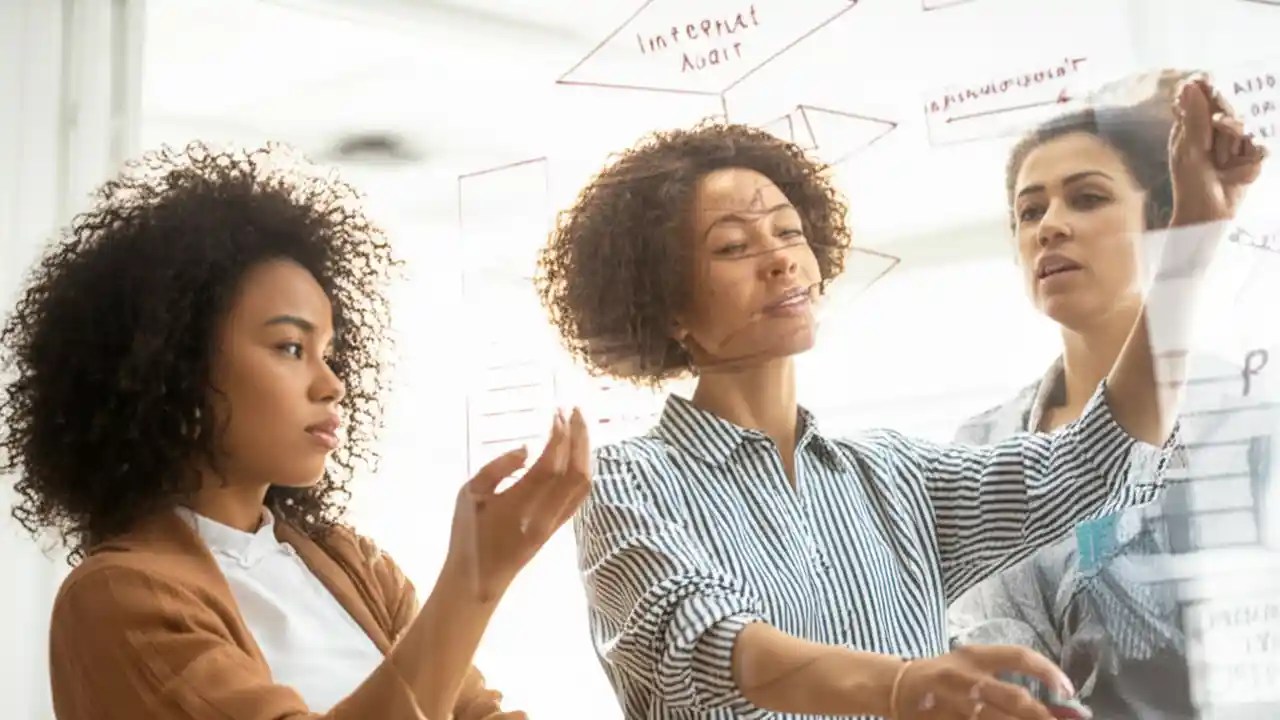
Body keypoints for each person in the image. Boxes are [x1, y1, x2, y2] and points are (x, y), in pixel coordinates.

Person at [533, 79, 1260, 720]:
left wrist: (1194, 233)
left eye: (790, 232)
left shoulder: (894, 475)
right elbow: (701, 645)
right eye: (733, 247)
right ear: (668, 309)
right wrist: (903, 687)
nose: (782, 256)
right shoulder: (627, 481)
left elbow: (1097, 460)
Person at [0, 141, 591, 720]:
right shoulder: (118, 598)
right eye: (290, 347)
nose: (331, 383)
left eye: (329, 352)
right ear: (175, 367)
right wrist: (474, 582)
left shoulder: (353, 565)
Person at [947, 77, 1274, 718]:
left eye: (1087, 199)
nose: (1051, 227)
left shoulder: (1243, 414)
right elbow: (987, 651)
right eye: (1030, 211)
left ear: (1159, 221)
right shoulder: (982, 445)